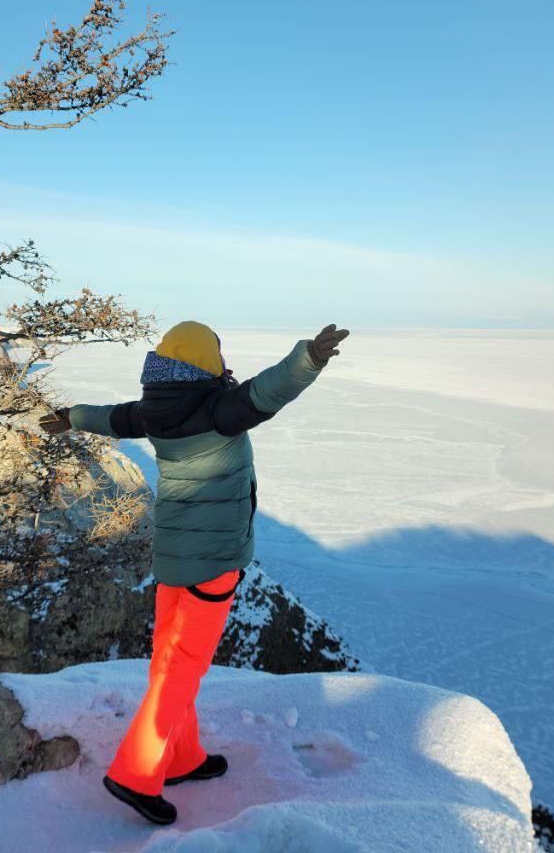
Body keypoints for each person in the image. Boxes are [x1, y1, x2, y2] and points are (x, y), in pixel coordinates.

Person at [39, 320, 350, 826]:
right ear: (206, 360)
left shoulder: (153, 409)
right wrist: (308, 358)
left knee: (169, 660)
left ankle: (182, 758)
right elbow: (269, 389)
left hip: (172, 559)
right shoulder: (217, 411)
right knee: (183, 669)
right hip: (213, 563)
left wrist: (71, 417)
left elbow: (110, 417)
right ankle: (136, 774)